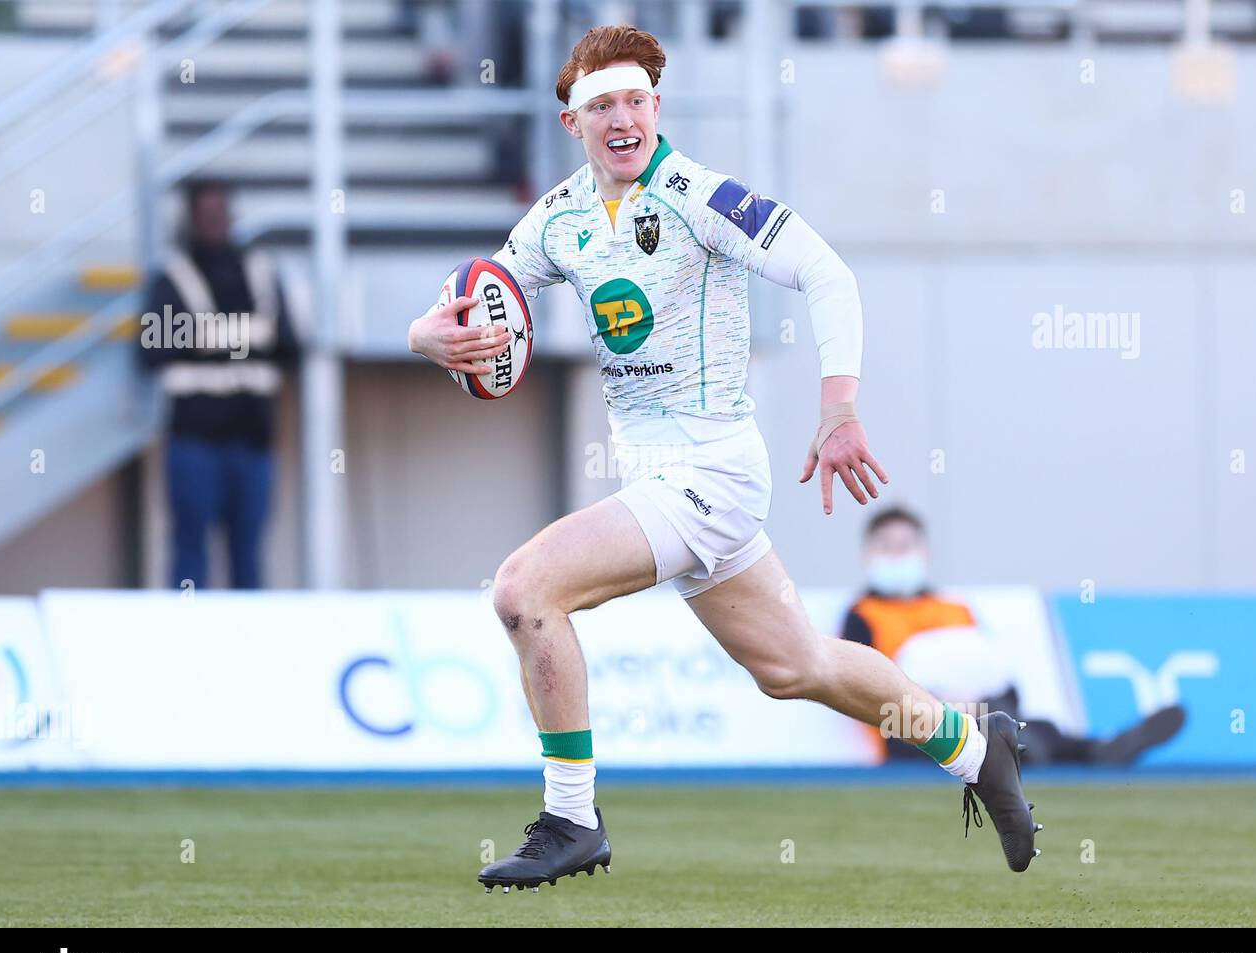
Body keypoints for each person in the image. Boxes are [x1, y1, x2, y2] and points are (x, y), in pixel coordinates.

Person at [407, 25, 1042, 890]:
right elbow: (483, 290)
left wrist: (841, 408)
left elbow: (828, 274)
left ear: (657, 107)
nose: (622, 117)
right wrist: (425, 335)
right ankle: (976, 749)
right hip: (663, 482)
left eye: (635, 100)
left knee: (525, 591)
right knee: (796, 668)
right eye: (602, 106)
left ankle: (570, 818)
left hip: (713, 474)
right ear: (572, 120)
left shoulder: (702, 197)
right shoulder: (558, 218)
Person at [844, 506, 1186, 766]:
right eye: (887, 546)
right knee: (993, 728)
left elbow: (997, 674)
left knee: (1032, 724)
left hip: (978, 711)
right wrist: (936, 703)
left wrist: (979, 702)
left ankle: (1098, 749)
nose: (898, 554)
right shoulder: (862, 616)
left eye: (906, 546)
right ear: (867, 555)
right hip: (910, 728)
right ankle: (1024, 750)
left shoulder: (956, 609)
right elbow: (859, 688)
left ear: (924, 553)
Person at [139, 181, 300, 590]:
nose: (213, 222)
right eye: (203, 213)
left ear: (231, 217)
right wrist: (246, 337)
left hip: (253, 441)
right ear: (190, 221)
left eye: (219, 212)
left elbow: (290, 346)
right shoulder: (173, 278)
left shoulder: (261, 272)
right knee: (190, 553)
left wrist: (201, 339)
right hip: (194, 441)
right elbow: (149, 349)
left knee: (248, 556)